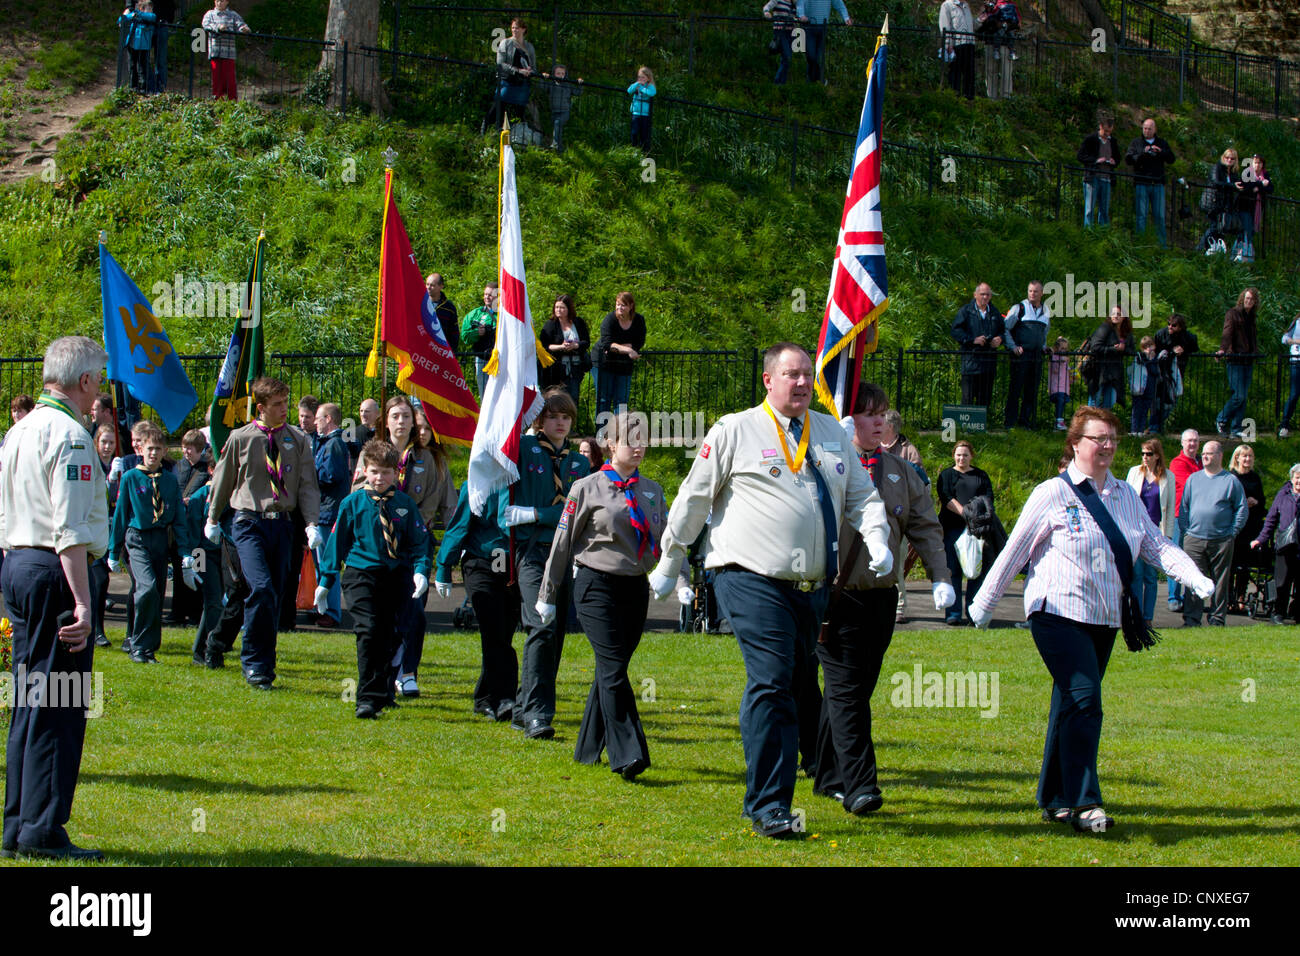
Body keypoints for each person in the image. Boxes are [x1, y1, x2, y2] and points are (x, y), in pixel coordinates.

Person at [649, 343, 893, 839]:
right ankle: (769, 805)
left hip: (812, 588)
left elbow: (862, 497)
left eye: (806, 374)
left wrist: (877, 536)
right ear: (768, 380)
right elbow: (694, 498)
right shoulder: (734, 429)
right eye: (790, 374)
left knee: (800, 684)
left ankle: (820, 778)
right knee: (773, 678)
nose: (801, 383)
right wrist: (670, 560)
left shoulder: (829, 431)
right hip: (748, 577)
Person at [969, 407, 1212, 834]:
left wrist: (1194, 577)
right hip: (1056, 612)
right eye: (1098, 438)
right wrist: (983, 604)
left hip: (1105, 617)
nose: (1107, 446)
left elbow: (1155, 545)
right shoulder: (1052, 493)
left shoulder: (1125, 495)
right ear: (1075, 444)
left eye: (1112, 439)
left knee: (1070, 701)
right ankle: (1086, 803)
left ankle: (1055, 798)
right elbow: (1015, 551)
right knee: (1086, 699)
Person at [813, 383, 954, 815]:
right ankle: (860, 786)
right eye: (868, 414)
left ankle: (825, 770)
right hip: (835, 597)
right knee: (847, 690)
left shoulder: (901, 472)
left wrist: (940, 576)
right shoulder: (825, 465)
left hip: (880, 598)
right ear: (847, 419)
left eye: (883, 414)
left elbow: (926, 527)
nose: (879, 422)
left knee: (854, 690)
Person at [0, 336, 111, 860]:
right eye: (100, 378)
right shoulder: (70, 436)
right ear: (85, 380)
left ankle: (19, 821)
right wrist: (84, 602)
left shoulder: (18, 431)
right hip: (55, 569)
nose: (101, 390)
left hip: (18, 561)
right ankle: (42, 828)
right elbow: (69, 529)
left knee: (29, 696)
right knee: (60, 701)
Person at [537, 411, 664, 777]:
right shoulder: (586, 487)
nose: (639, 447)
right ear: (610, 444)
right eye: (631, 440)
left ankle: (588, 747)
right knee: (611, 668)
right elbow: (562, 543)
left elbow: (665, 538)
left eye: (644, 440)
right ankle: (628, 752)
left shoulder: (652, 490)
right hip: (596, 585)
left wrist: (680, 577)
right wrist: (548, 592)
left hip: (634, 587)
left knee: (613, 668)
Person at [205, 377, 322, 690]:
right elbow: (223, 479)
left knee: (275, 597)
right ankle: (254, 663)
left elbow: (307, 484)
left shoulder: (297, 440)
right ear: (260, 407)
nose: (284, 409)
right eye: (277, 405)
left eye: (286, 402)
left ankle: (262, 664)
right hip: (249, 522)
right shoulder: (241, 438)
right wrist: (213, 518)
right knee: (261, 588)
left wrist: (312, 523)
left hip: (283, 524)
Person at [316, 440, 430, 719]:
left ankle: (383, 690)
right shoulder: (352, 503)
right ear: (365, 470)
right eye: (375, 472)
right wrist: (325, 582)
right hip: (360, 574)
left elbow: (418, 543)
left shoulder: (405, 505)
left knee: (393, 633)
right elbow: (337, 544)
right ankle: (366, 698)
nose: (380, 478)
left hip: (396, 575)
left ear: (396, 474)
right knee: (369, 630)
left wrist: (420, 570)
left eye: (387, 473)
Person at [505, 389, 590, 739]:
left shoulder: (579, 463)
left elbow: (573, 512)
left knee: (553, 632)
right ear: (540, 419)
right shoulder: (525, 450)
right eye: (553, 416)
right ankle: (540, 713)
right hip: (532, 551)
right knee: (540, 624)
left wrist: (538, 513)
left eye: (566, 418)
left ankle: (525, 707)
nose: (560, 423)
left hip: (565, 554)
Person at [383, 397, 455, 700]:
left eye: (407, 417)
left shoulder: (429, 460)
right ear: (386, 421)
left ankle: (408, 671)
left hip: (415, 545)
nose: (402, 423)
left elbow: (445, 505)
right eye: (395, 416)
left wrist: (454, 547)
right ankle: (386, 669)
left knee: (414, 612)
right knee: (384, 614)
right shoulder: (374, 455)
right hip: (380, 544)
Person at [106, 422, 191, 664]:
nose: (153, 453)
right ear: (141, 449)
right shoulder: (131, 478)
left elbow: (179, 519)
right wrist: (113, 551)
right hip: (137, 538)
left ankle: (149, 647)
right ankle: (137, 644)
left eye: (158, 449)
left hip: (160, 539)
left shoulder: (169, 481)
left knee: (157, 591)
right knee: (146, 588)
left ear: (165, 452)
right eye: (150, 448)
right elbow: (121, 515)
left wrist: (185, 552)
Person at [435, 484, 519, 722]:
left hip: (512, 563)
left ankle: (485, 697)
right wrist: (444, 566)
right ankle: (504, 697)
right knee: (493, 631)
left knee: (504, 632)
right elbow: (459, 524)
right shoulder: (476, 484)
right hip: (481, 561)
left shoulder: (524, 481)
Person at [1178, 440, 1248, 627]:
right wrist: (1186, 530)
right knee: (1193, 580)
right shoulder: (1194, 479)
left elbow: (1241, 508)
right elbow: (1184, 507)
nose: (1205, 456)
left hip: (1221, 540)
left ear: (1219, 456)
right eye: (1203, 453)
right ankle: (1192, 619)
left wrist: (1232, 531)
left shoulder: (1231, 481)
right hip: (1194, 538)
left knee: (1221, 580)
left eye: (1209, 453)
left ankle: (1217, 619)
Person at [937, 440, 993, 626]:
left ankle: (972, 612)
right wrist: (964, 513)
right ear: (954, 455)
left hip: (975, 530)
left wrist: (973, 517)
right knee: (953, 570)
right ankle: (953, 613)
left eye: (965, 455)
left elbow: (987, 497)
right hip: (951, 528)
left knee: (975, 571)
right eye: (958, 454)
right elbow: (945, 497)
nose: (962, 458)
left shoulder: (980, 476)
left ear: (972, 456)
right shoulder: (946, 475)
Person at [1124, 438, 1175, 623]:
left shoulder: (1168, 476)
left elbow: (1169, 509)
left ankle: (1148, 618)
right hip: (1136, 531)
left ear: (1157, 456)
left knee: (1151, 577)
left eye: (1149, 454)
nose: (1145, 457)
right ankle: (1136, 615)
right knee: (1136, 575)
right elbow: (1125, 501)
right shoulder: (1134, 473)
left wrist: (1167, 535)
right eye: (1143, 453)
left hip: (1155, 532)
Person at [312, 402, 351, 628]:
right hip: (324, 510)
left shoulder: (334, 444)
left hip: (329, 510)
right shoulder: (328, 443)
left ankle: (332, 611)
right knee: (323, 563)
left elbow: (332, 475)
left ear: (328, 419)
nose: (315, 422)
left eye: (318, 418)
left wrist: (311, 474)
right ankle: (323, 607)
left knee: (328, 563)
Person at [1252, 464, 1300, 625]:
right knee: (1283, 581)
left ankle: (1296, 612)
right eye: (1297, 477)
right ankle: (1278, 612)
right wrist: (1261, 539)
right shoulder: (1283, 495)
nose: (1299, 481)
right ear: (1292, 479)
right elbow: (1271, 519)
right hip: (1285, 545)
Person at [1003, 279, 1051, 429]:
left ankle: (1025, 421)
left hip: (1036, 355)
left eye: (1035, 291)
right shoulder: (1019, 308)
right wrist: (1013, 347)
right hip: (1021, 355)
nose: (1032, 294)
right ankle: (1009, 422)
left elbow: (1044, 333)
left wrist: (1044, 347)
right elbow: (1005, 329)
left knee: (1032, 390)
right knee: (1016, 388)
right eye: (1030, 291)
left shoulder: (1046, 311)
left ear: (1041, 293)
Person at [1124, 117, 1176, 247]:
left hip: (1157, 183)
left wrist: (1161, 152)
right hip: (1141, 182)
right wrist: (1143, 153)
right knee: (1141, 215)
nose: (1147, 131)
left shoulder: (1161, 143)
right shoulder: (1136, 143)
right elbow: (1129, 159)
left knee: (1159, 216)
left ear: (1155, 129)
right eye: (1145, 128)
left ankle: (1161, 245)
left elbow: (1171, 159)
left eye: (1149, 128)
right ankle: (1141, 243)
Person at [950, 282, 1004, 409]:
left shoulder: (995, 313)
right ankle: (966, 426)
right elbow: (955, 331)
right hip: (971, 361)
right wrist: (972, 340)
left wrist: (1000, 339)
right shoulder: (966, 311)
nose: (985, 297)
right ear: (975, 295)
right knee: (968, 397)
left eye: (987, 294)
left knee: (984, 398)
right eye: (982, 294)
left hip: (989, 362)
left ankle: (981, 426)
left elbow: (1003, 331)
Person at [593, 291, 647, 416]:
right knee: (603, 400)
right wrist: (627, 349)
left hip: (624, 364)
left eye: (623, 305)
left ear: (631, 306)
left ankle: (621, 432)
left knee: (621, 401)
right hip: (604, 362)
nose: (619, 308)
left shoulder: (638, 320)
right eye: (617, 304)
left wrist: (619, 347)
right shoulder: (610, 319)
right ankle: (602, 432)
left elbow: (639, 341)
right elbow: (607, 343)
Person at [1216, 287, 1260, 439]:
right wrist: (1223, 349)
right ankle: (1221, 419)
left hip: (1248, 359)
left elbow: (1252, 337)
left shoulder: (1251, 317)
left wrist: (1255, 352)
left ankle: (1236, 427)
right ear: (1242, 299)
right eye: (1247, 299)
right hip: (1235, 358)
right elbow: (1227, 332)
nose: (1249, 302)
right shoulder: (1233, 314)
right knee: (1238, 395)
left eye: (1252, 300)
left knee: (1244, 396)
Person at [90, 423, 119, 649]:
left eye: (111, 442)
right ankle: (97, 629)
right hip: (96, 530)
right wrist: (108, 482)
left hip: (115, 530)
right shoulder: (93, 466)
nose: (107, 447)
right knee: (99, 581)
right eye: (103, 442)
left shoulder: (121, 466)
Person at [1166, 428, 1202, 612]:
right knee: (1177, 555)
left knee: (1193, 557)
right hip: (1181, 515)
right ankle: (1173, 596)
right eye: (1189, 441)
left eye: (1195, 441)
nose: (1192, 444)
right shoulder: (1177, 463)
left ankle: (1191, 597)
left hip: (1198, 516)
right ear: (1182, 442)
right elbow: (1193, 484)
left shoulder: (1201, 463)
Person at [1228, 444, 1265, 613]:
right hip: (1235, 527)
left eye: (1250, 456)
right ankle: (1229, 598)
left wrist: (1255, 502)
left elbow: (1263, 501)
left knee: (1244, 567)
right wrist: (1243, 502)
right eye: (1244, 456)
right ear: (1237, 458)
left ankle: (1241, 597)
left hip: (1252, 527)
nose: (1247, 459)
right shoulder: (1231, 478)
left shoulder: (1255, 478)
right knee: (1231, 566)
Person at [539, 293, 591, 406]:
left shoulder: (578, 322)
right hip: (556, 369)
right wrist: (561, 347)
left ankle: (570, 422)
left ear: (569, 308)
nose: (559, 310)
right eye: (557, 307)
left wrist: (575, 345)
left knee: (572, 400)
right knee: (555, 399)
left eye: (562, 307)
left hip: (575, 368)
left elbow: (586, 342)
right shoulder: (550, 324)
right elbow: (544, 346)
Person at [1152, 313, 1198, 433]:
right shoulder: (1160, 334)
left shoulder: (1188, 337)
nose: (1170, 327)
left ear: (1180, 327)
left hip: (1177, 371)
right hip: (1161, 372)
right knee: (1158, 401)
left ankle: (1157, 425)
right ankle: (1154, 426)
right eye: (1169, 324)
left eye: (1174, 325)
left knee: (1172, 400)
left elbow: (1195, 347)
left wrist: (1184, 350)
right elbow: (1155, 352)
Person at [491, 18, 538, 131]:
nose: (514, 30)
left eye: (517, 28)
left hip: (522, 83)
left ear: (523, 29)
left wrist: (530, 71)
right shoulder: (505, 43)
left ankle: (517, 135)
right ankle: (489, 129)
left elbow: (534, 66)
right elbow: (500, 63)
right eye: (512, 28)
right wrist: (517, 70)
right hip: (507, 81)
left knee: (519, 112)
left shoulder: (529, 47)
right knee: (498, 107)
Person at [1083, 305, 1132, 410]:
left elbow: (1132, 350)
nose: (1115, 316)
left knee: (1110, 402)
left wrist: (1123, 349)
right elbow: (1095, 347)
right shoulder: (1105, 328)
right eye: (1113, 313)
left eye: (1119, 314)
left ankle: (1103, 424)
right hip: (1099, 371)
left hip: (1114, 374)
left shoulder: (1126, 333)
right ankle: (1089, 424)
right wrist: (1113, 349)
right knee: (1094, 401)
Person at [201, 0, 251, 102]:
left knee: (230, 79)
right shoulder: (210, 14)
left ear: (227, 2)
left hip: (229, 52)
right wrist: (217, 28)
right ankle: (218, 100)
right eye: (217, 1)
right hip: (215, 52)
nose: (219, 3)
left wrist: (244, 29)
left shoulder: (232, 15)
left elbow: (240, 24)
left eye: (222, 1)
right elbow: (206, 24)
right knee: (217, 79)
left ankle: (232, 101)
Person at [1077, 109, 1118, 227]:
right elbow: (1080, 156)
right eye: (1105, 131)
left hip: (1106, 178)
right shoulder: (1090, 139)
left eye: (1110, 132)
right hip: (1092, 177)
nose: (1107, 134)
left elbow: (1118, 157)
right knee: (1089, 209)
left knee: (1104, 210)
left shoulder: (1113, 141)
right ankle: (1088, 233)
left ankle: (1103, 234)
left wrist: (1113, 161)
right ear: (1100, 126)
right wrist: (1095, 161)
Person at [1197, 147, 1240, 253]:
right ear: (1223, 157)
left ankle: (1211, 250)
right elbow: (1216, 182)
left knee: (1220, 229)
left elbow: (1236, 185)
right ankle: (1200, 249)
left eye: (1232, 158)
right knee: (1214, 227)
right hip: (1213, 202)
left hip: (1224, 205)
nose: (1229, 160)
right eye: (1227, 157)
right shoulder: (1217, 168)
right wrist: (1232, 186)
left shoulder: (1233, 173)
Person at [796, 0, 851, 84]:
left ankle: (812, 82)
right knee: (811, 55)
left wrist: (846, 17)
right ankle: (816, 79)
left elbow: (839, 4)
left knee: (819, 57)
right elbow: (800, 3)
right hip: (809, 25)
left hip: (823, 27)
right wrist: (801, 15)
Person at [460, 281, 499, 398]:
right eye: (485, 294)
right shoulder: (475, 314)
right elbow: (465, 336)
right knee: (485, 394)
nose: (487, 297)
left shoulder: (505, 314)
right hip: (482, 359)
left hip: (501, 360)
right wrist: (477, 333)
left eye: (490, 294)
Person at [540, 64, 582, 152]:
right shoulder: (551, 83)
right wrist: (543, 78)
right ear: (554, 74)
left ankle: (555, 145)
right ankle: (560, 148)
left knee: (557, 124)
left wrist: (579, 84)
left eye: (563, 74)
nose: (561, 76)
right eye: (558, 73)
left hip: (564, 111)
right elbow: (542, 88)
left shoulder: (568, 84)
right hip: (554, 110)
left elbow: (577, 92)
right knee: (557, 128)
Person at [1237, 154, 1273, 256]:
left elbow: (1270, 189)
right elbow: (1246, 187)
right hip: (1245, 206)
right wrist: (1261, 184)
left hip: (1257, 207)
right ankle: (1243, 254)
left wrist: (1258, 188)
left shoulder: (1265, 175)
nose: (1257, 165)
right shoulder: (1247, 173)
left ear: (1262, 165)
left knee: (1251, 230)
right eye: (1255, 163)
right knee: (1246, 229)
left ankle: (1243, 254)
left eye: (1259, 163)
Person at [939, 0, 976, 99]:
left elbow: (971, 25)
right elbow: (944, 26)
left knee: (970, 73)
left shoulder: (966, 5)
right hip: (956, 44)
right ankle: (954, 97)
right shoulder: (947, 5)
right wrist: (948, 44)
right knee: (955, 73)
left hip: (969, 43)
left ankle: (969, 98)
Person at [118, 1, 157, 94]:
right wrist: (128, 16)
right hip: (132, 45)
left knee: (142, 68)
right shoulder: (135, 16)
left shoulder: (150, 17)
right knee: (132, 66)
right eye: (149, 8)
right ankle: (133, 87)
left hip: (143, 47)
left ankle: (143, 88)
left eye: (151, 9)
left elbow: (152, 17)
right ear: (142, 8)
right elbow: (121, 19)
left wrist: (137, 13)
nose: (151, 11)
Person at [1129, 336, 1160, 435]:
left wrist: (1151, 360)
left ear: (1154, 346)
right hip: (1138, 387)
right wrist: (1147, 358)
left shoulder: (1155, 359)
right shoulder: (1139, 356)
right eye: (1145, 347)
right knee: (1136, 409)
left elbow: (1155, 372)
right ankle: (1134, 430)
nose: (1148, 349)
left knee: (1145, 410)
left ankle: (1141, 430)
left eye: (1150, 346)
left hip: (1149, 388)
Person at [763, 0, 798, 85]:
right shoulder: (777, 0)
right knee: (787, 56)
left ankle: (781, 83)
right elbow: (767, 7)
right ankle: (778, 82)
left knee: (786, 59)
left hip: (791, 33)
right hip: (780, 32)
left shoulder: (794, 3)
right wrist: (767, 13)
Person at [423, 273, 459, 354]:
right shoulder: (420, 303)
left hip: (441, 351)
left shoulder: (449, 307)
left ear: (441, 286)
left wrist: (452, 351)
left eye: (432, 285)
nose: (428, 287)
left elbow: (454, 331)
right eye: (427, 284)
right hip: (423, 350)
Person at [1279, 312, 1300, 438]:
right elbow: (1284, 339)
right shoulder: (1297, 322)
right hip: (1296, 362)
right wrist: (1295, 341)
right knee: (1294, 394)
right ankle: (1284, 425)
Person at [627, 67, 656, 151]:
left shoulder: (650, 86)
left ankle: (644, 151)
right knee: (634, 132)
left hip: (645, 114)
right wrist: (636, 84)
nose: (641, 79)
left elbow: (652, 93)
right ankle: (633, 148)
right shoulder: (637, 85)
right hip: (636, 113)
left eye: (643, 77)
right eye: (639, 77)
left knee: (644, 134)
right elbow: (629, 91)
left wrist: (642, 89)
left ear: (648, 78)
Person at [1048, 336, 1072, 430]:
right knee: (1060, 400)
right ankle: (1058, 421)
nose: (1063, 351)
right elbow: (1055, 369)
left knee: (1063, 402)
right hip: (1056, 387)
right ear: (1057, 348)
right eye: (1062, 348)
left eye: (1065, 349)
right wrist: (1061, 360)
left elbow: (1066, 373)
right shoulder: (1054, 357)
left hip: (1064, 387)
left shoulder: (1066, 360)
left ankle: (1058, 422)